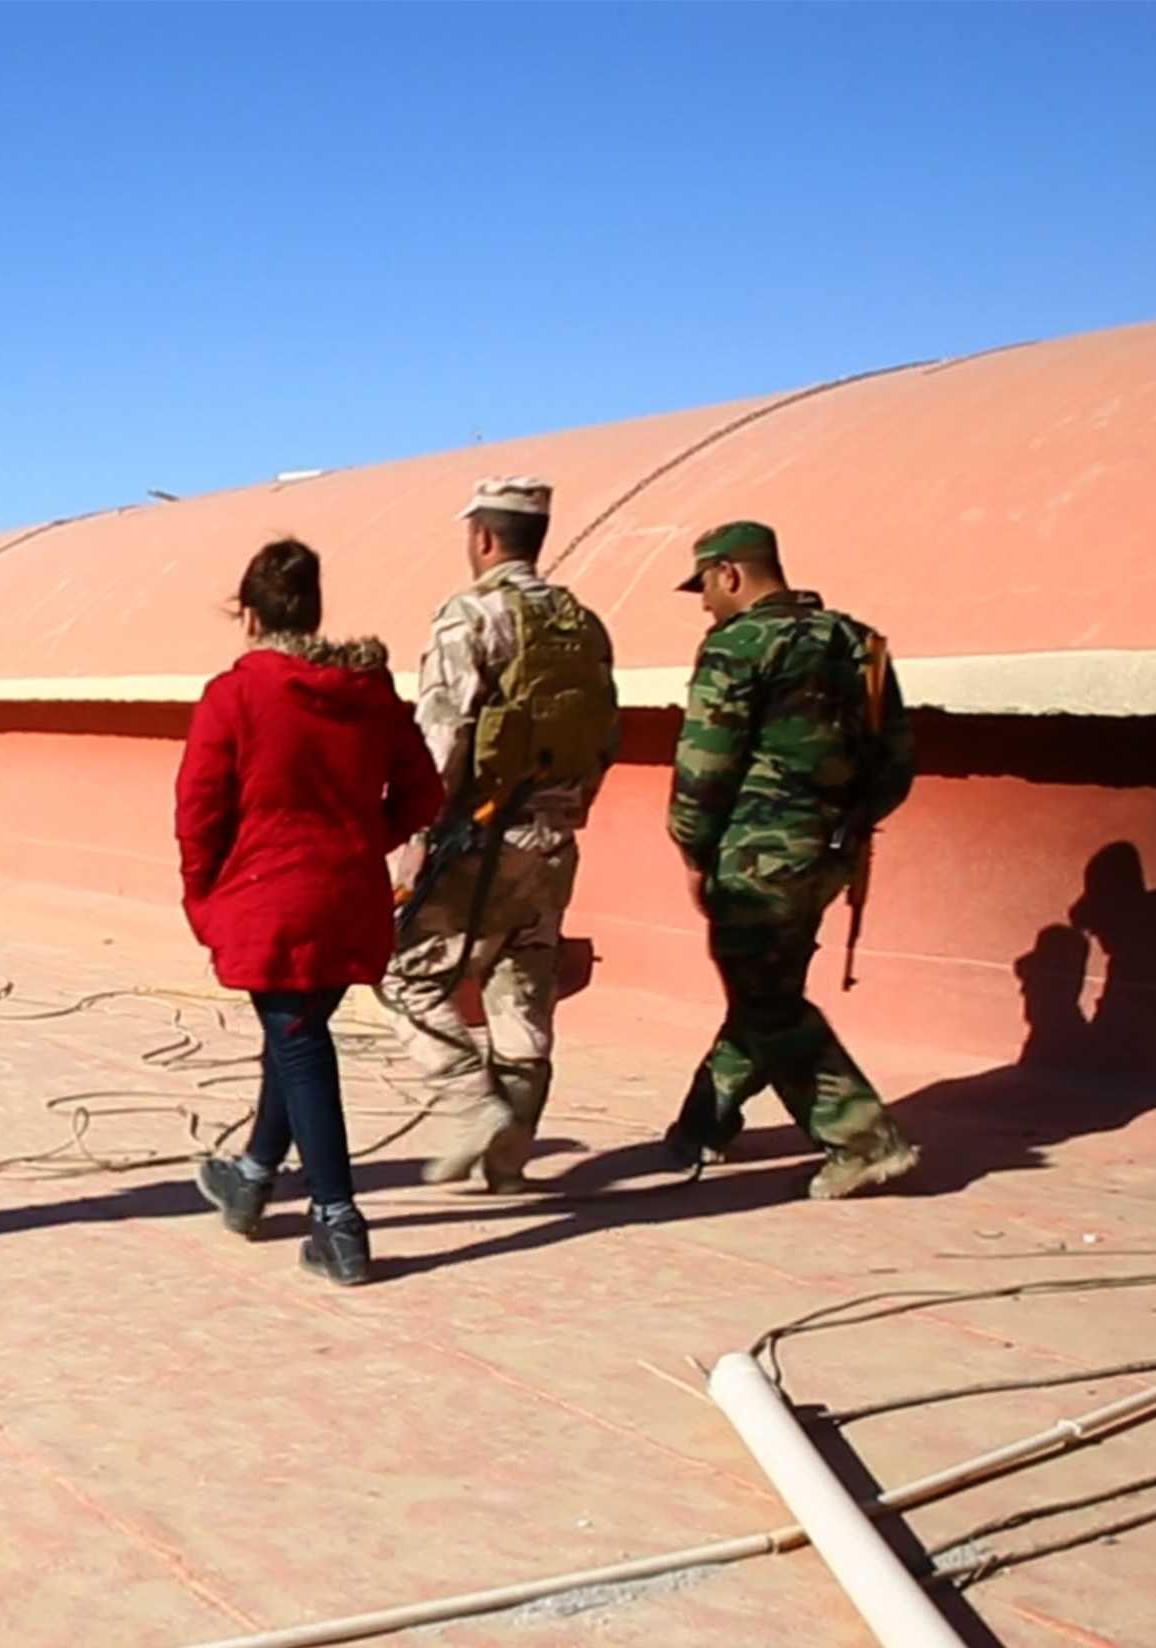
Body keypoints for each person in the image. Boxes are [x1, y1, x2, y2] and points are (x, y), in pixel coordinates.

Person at [180, 539, 444, 1284]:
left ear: (252, 616)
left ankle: (338, 1220)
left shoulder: (236, 695)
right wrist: (362, 840)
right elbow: (424, 797)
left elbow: (199, 813)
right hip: (350, 898)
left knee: (298, 1044)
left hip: (273, 901)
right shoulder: (371, 693)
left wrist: (203, 898)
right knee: (294, 1034)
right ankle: (254, 1174)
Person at [664, 521, 919, 1197]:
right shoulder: (859, 643)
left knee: (769, 996)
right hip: (834, 850)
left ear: (731, 575)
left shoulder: (738, 645)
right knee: (764, 985)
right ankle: (702, 1123)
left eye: (705, 587)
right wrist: (848, 824)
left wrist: (693, 846)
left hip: (755, 854)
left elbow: (704, 763)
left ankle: (862, 1139)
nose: (703, 603)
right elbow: (897, 759)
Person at [380, 477, 619, 1191]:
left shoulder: (472, 615)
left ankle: (468, 1104)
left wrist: (412, 841)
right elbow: (606, 733)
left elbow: (440, 736)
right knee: (524, 989)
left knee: (405, 979)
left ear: (483, 538)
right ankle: (509, 1165)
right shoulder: (584, 625)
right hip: (554, 840)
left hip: (482, 840)